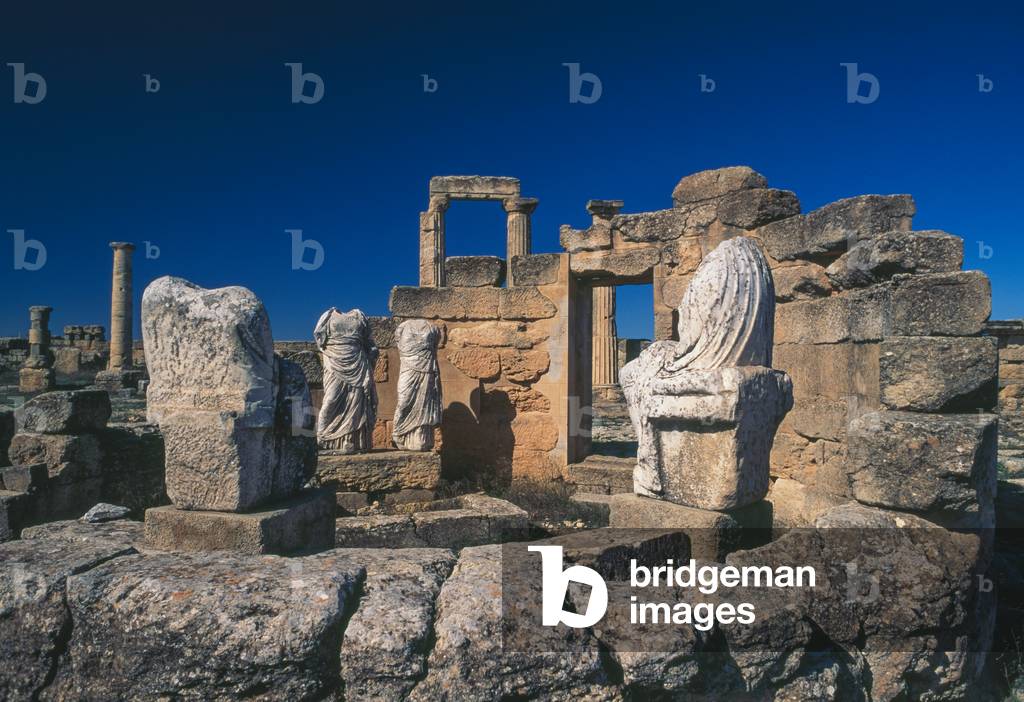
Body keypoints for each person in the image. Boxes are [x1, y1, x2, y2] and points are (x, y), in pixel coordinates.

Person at [314, 307, 378, 453]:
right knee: (331, 399)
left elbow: (369, 341)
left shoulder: (360, 316)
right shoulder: (327, 316)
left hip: (358, 362)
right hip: (334, 359)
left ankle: (352, 441)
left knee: (356, 401)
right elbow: (320, 340)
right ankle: (323, 438)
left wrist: (372, 355)